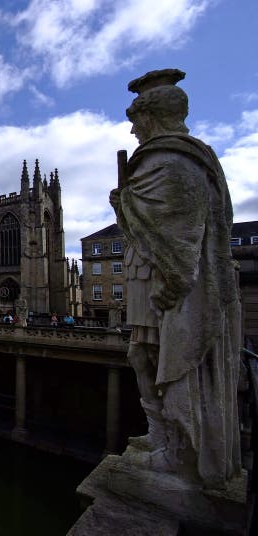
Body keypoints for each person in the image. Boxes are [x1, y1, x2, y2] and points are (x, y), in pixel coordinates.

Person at [109, 69, 241, 488]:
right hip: (149, 278)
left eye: (136, 119)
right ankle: (165, 437)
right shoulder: (167, 161)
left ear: (152, 117)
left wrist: (126, 202)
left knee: (158, 358)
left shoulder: (177, 163)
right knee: (141, 355)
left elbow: (182, 240)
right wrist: (125, 202)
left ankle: (177, 449)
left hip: (166, 286)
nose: (131, 128)